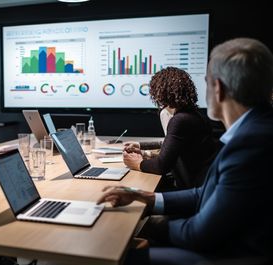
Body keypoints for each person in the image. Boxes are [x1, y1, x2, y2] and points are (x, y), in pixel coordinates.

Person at [98, 38, 273, 265]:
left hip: (232, 254)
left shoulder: (250, 143)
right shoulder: (256, 130)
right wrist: (145, 198)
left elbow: (199, 234)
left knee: (111, 253)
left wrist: (142, 225)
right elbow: (204, 194)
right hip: (231, 240)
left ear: (217, 88)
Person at [123, 67, 220, 190]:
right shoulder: (194, 115)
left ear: (159, 92)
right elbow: (172, 148)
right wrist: (143, 149)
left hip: (190, 190)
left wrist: (137, 163)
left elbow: (161, 166)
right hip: (201, 186)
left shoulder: (180, 120)